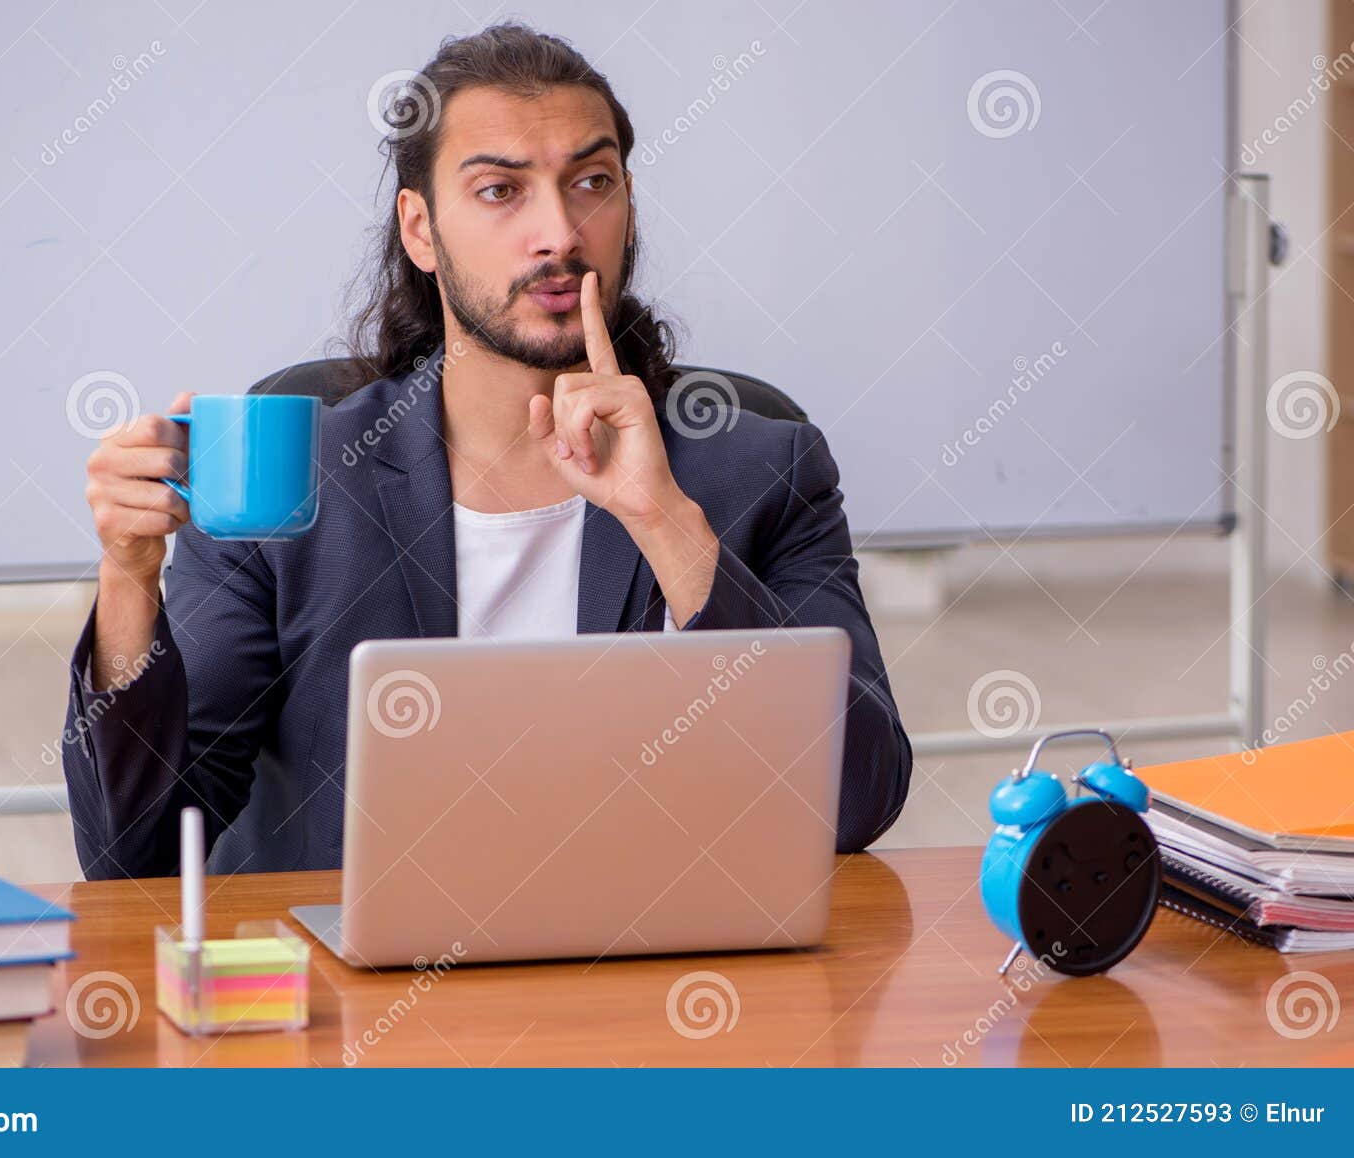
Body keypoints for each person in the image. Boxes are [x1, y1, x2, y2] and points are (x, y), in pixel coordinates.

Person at [61, 21, 912, 879]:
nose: (559, 233)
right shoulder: (294, 487)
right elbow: (136, 855)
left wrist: (667, 525)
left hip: (657, 956)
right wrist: (128, 578)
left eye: (592, 182)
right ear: (421, 230)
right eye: (501, 191)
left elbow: (854, 804)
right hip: (358, 964)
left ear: (628, 210)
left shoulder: (765, 473)